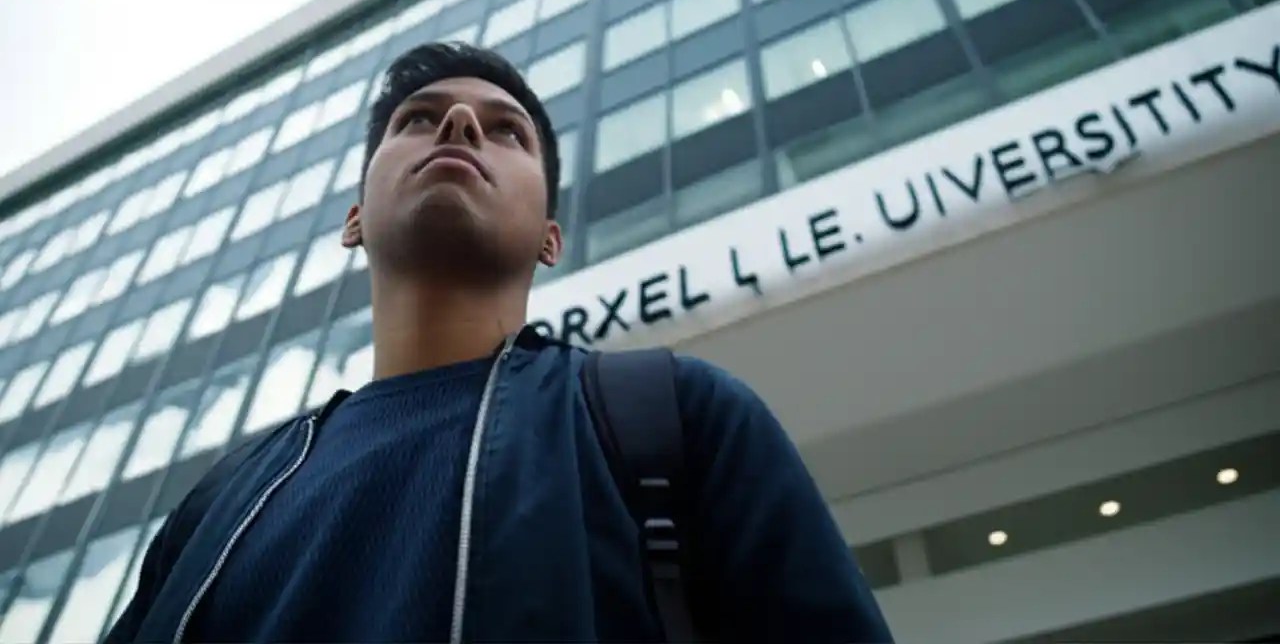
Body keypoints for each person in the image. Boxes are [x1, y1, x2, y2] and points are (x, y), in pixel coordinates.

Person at [104, 42, 892, 643]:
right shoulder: (220, 501)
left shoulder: (675, 415)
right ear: (353, 221)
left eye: (506, 131)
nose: (458, 124)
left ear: (551, 239)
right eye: (418, 120)